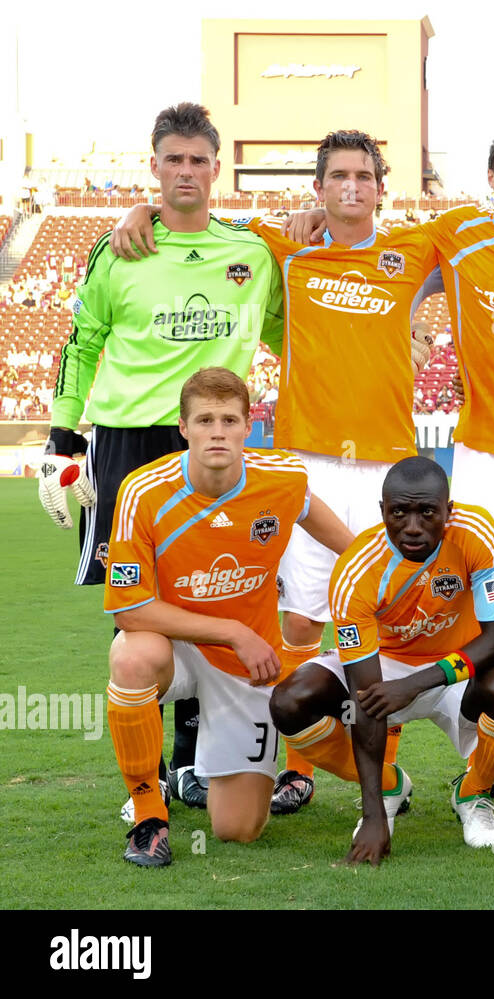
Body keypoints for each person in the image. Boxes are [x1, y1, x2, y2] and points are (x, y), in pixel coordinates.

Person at [112, 127, 494, 814]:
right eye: (339, 177)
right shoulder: (288, 243)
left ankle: (410, 766)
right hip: (309, 464)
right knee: (304, 619)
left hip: (391, 468)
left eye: (364, 176)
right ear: (319, 188)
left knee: (391, 612)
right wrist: (142, 213)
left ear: (382, 188)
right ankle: (301, 763)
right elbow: (201, 214)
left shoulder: (421, 246)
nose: (352, 187)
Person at [51, 103, 285, 816]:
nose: (186, 171)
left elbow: (292, 329)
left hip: (212, 441)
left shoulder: (252, 253)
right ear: (153, 167)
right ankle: (143, 773)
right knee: (136, 613)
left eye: (198, 160)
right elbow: (82, 343)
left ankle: (193, 761)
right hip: (127, 443)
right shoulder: (118, 247)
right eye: (173, 159)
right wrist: (63, 440)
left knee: (218, 588)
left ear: (218, 169)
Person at [104, 367, 352, 866]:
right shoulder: (143, 491)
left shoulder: (284, 480)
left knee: (237, 830)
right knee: (131, 657)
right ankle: (149, 817)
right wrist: (233, 631)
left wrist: (404, 577)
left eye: (229, 420)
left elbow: (351, 548)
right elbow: (129, 607)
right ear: (183, 426)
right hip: (175, 648)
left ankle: (233, 763)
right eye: (205, 420)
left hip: (248, 665)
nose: (217, 431)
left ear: (248, 426)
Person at [269, 456, 494, 863]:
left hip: (453, 665)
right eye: (399, 513)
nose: (412, 526)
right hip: (382, 665)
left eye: (427, 512)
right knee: (290, 702)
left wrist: (417, 683)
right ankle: (388, 788)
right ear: (382, 511)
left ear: (449, 511)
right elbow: (365, 697)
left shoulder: (476, 532)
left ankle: (473, 791)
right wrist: (374, 816)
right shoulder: (357, 569)